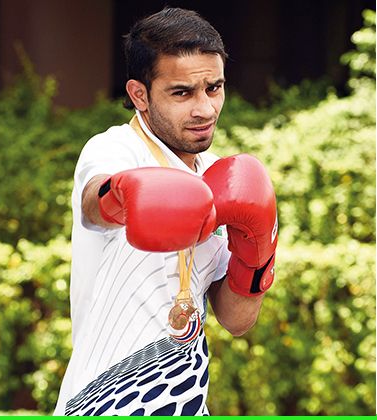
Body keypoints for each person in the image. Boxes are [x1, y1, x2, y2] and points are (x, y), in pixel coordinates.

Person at [54, 8, 278, 416]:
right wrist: (129, 197)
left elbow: (237, 319)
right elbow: (95, 202)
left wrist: (258, 253)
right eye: (182, 93)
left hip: (185, 400)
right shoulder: (116, 149)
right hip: (104, 400)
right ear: (140, 94)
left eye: (214, 88)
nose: (205, 109)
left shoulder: (220, 179)